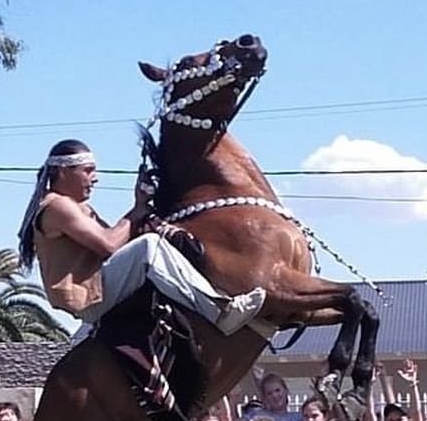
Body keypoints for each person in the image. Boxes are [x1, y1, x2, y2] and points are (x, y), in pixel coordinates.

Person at [18, 138, 268, 335]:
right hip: (90, 297)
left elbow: (119, 239)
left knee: (151, 244)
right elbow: (109, 245)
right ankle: (219, 313)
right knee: (149, 247)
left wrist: (142, 209)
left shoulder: (75, 207)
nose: (95, 178)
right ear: (63, 172)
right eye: (88, 170)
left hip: (99, 288)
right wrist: (137, 210)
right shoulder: (57, 206)